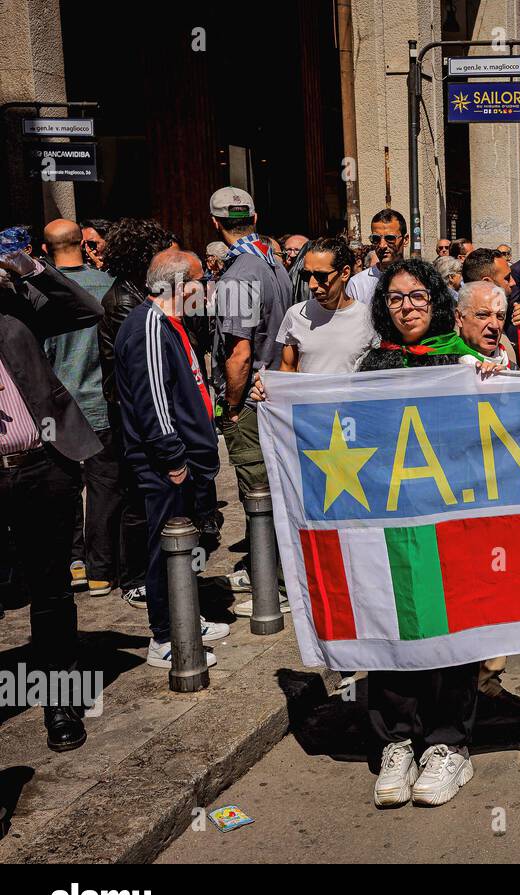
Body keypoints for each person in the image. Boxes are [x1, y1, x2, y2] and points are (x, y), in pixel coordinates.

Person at [353, 259, 483, 807]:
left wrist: (494, 377)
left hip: (452, 516)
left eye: (417, 297)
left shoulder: (464, 359)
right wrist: (276, 398)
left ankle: (448, 746)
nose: (406, 307)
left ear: (435, 302)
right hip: (392, 518)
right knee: (393, 622)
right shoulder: (369, 365)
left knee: (453, 623)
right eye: (396, 298)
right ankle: (397, 741)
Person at [0, 249, 108, 751]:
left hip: (43, 465)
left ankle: (60, 702)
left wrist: (26, 266)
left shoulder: (13, 301)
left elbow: (87, 311)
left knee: (52, 592)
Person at [114, 250, 227, 671]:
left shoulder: (172, 322)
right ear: (180, 285)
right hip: (165, 465)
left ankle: (184, 618)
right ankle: (165, 635)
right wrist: (173, 457)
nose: (208, 286)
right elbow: (153, 399)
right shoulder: (147, 325)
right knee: (166, 548)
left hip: (184, 462)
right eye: (201, 279)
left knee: (183, 548)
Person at [97, 218, 177, 609]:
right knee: (135, 499)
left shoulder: (133, 293)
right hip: (128, 415)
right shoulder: (125, 302)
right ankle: (133, 576)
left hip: (131, 411)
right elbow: (136, 372)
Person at [41, 219, 118, 597]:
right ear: (84, 246)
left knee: (63, 486)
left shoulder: (34, 293)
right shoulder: (108, 286)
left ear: (43, 251)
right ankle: (101, 568)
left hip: (55, 407)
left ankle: (74, 562)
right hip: (100, 402)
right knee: (104, 485)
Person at [211, 187, 293, 506]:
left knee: (258, 493)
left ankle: (265, 556)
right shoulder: (274, 265)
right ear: (254, 218)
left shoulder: (239, 274)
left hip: (250, 401)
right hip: (276, 393)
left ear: (215, 224)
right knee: (275, 490)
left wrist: (231, 409)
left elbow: (239, 353)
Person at [272, 237, 373, 374]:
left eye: (321, 276)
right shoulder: (295, 314)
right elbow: (287, 369)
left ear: (344, 273)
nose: (312, 285)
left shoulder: (369, 317)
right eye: (306, 275)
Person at [462, 247, 520, 366]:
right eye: (482, 315)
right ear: (460, 318)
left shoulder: (513, 313)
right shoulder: (453, 351)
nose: (513, 283)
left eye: (500, 316)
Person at [346, 209, 408, 306]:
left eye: (390, 238)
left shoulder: (418, 279)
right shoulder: (357, 284)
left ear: (405, 240)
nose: (382, 245)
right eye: (376, 239)